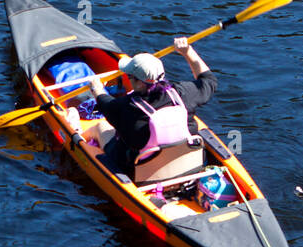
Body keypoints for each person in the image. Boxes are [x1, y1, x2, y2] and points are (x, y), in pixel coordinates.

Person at [93, 37, 217, 178]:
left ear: (140, 84)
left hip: (141, 172)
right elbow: (208, 80)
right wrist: (188, 51)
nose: (128, 78)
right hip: (187, 165)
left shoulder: (127, 107)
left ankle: (75, 134)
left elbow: (104, 103)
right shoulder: (183, 93)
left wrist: (96, 89)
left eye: (130, 76)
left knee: (100, 127)